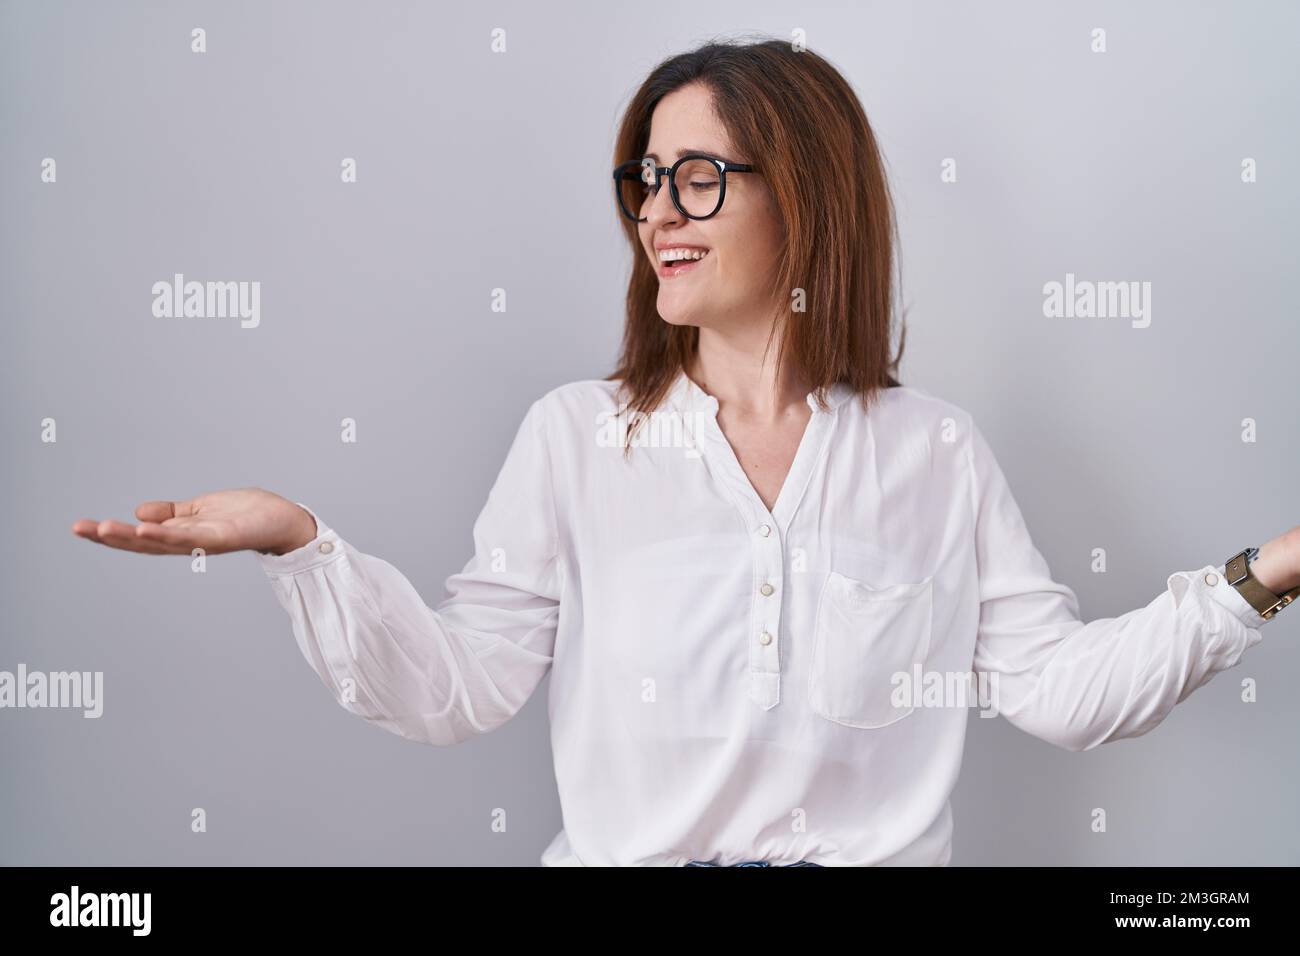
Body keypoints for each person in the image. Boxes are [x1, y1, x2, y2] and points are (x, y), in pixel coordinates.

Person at [71, 38, 1300, 867]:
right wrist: (303, 546)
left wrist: (1275, 567)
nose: (655, 211)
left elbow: (1061, 690)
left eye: (698, 178)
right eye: (645, 179)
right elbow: (459, 686)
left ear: (805, 197)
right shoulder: (573, 438)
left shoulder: (935, 454)